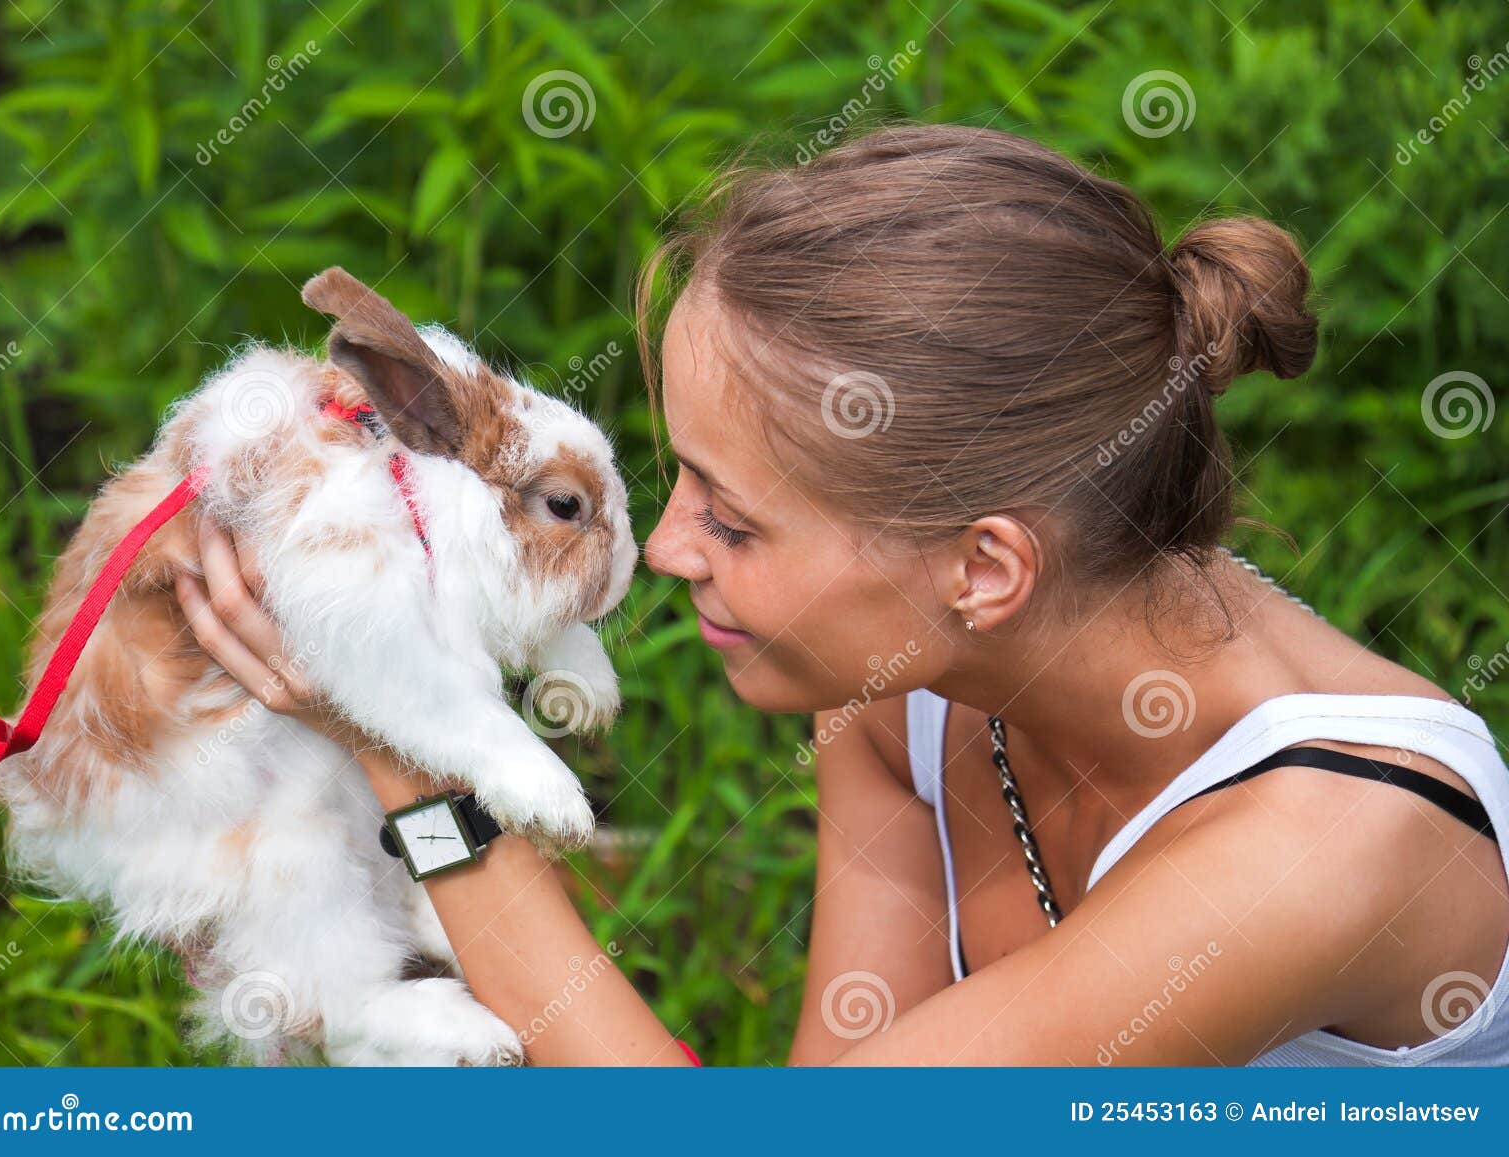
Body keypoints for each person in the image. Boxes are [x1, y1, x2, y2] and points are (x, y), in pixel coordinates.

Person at [174, 123, 1509, 1066]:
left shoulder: (1328, 847)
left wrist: (411, 759)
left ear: (983, 567)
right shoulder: (913, 695)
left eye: (732, 516)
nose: (676, 547)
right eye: (678, 479)